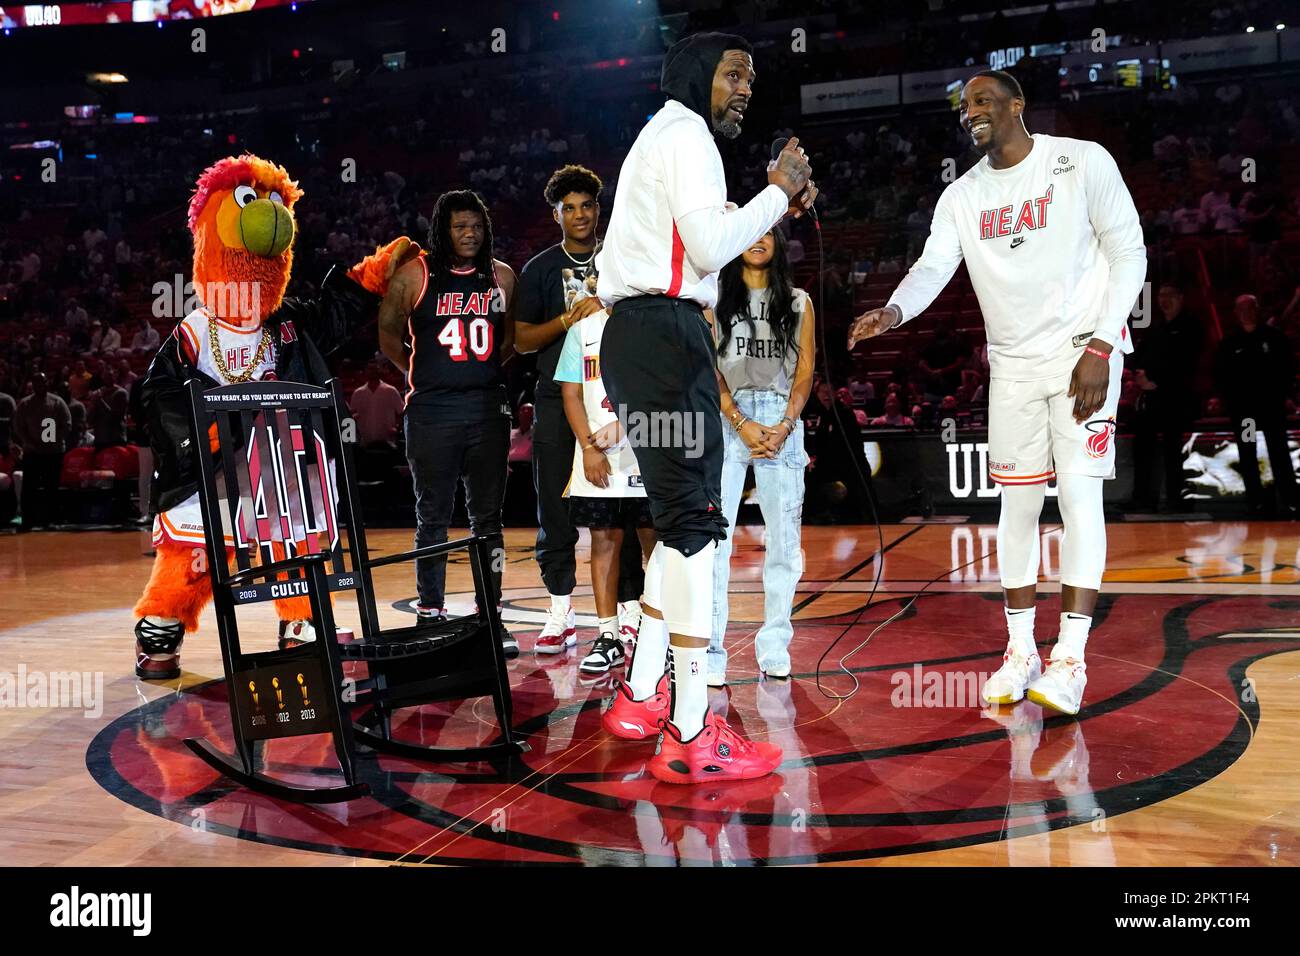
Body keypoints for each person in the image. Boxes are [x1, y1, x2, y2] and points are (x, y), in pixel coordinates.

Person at [849, 70, 1147, 716]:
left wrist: (1101, 344)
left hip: (1081, 356)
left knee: (1077, 498)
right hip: (1012, 365)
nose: (971, 112)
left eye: (983, 100)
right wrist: (894, 312)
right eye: (964, 106)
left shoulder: (1081, 162)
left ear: (1018, 104)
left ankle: (1070, 659)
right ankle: (1021, 652)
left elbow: (1130, 253)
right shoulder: (962, 197)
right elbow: (933, 264)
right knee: (1014, 510)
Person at [595, 31, 815, 784]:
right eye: (734, 75)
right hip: (662, 336)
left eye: (751, 78)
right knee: (693, 526)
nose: (746, 89)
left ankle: (638, 693)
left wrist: (769, 200)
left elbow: (706, 231)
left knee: (677, 521)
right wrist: (780, 193)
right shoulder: (686, 132)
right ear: (697, 76)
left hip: (638, 339)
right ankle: (692, 730)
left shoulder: (661, 137)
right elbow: (713, 243)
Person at [378, 190, 519, 656]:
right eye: (460, 226)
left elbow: (509, 341)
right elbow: (388, 334)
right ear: (443, 229)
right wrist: (423, 375)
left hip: (486, 409)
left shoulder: (502, 277)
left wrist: (477, 377)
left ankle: (489, 614)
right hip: (431, 412)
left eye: (476, 225)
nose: (469, 233)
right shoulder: (414, 276)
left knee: (488, 522)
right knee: (432, 518)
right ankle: (430, 610)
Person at [513, 164, 645, 653]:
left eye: (587, 205)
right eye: (569, 208)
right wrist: (568, 318)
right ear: (556, 215)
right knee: (556, 507)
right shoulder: (541, 269)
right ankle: (560, 610)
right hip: (558, 396)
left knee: (624, 506)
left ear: (598, 208)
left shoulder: (622, 259)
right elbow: (523, 340)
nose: (579, 215)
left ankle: (629, 610)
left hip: (618, 399)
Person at [707, 226, 815, 685]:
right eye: (750, 232)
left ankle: (774, 645)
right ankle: (711, 650)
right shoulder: (712, 299)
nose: (758, 240)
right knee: (714, 542)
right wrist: (739, 420)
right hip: (728, 417)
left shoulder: (797, 301)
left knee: (785, 544)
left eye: (768, 233)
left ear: (778, 243)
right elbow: (709, 368)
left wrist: (786, 424)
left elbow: (806, 369)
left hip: (780, 419)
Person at [554, 304, 657, 674]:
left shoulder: (651, 320)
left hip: (646, 447)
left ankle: (656, 632)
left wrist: (628, 425)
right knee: (604, 542)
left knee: (656, 547)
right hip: (597, 454)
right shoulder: (582, 331)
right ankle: (608, 635)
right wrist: (588, 448)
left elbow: (663, 387)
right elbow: (571, 395)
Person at [1213, 294, 1297, 518]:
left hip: (1272, 409)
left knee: (1279, 453)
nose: (1246, 313)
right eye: (1240, 309)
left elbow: (1287, 370)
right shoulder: (1230, 343)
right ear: (1235, 313)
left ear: (1257, 309)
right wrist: (1230, 402)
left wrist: (1282, 396)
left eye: (1250, 308)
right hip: (1246, 414)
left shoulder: (1274, 338)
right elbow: (1222, 376)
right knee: (1248, 453)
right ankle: (1256, 502)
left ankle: (1290, 500)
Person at [1131, 283, 1202, 511]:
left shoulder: (1191, 327)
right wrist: (1140, 375)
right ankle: (1142, 500)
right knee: (1143, 449)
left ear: (1181, 298)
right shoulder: (1157, 328)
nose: (1164, 299)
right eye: (1161, 295)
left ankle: (1176, 500)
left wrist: (1156, 381)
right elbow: (1140, 356)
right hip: (1151, 399)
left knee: (1174, 451)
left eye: (1170, 295)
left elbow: (1186, 364)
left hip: (1176, 399)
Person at [13, 372, 71, 530]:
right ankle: (28, 521)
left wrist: (53, 441)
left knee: (51, 487)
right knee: (29, 488)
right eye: (37, 382)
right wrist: (30, 442)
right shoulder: (25, 404)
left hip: (53, 452)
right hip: (32, 452)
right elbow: (19, 427)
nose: (41, 385)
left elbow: (66, 424)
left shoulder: (57, 402)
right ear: (33, 384)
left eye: (43, 382)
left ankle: (51, 520)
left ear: (47, 383)